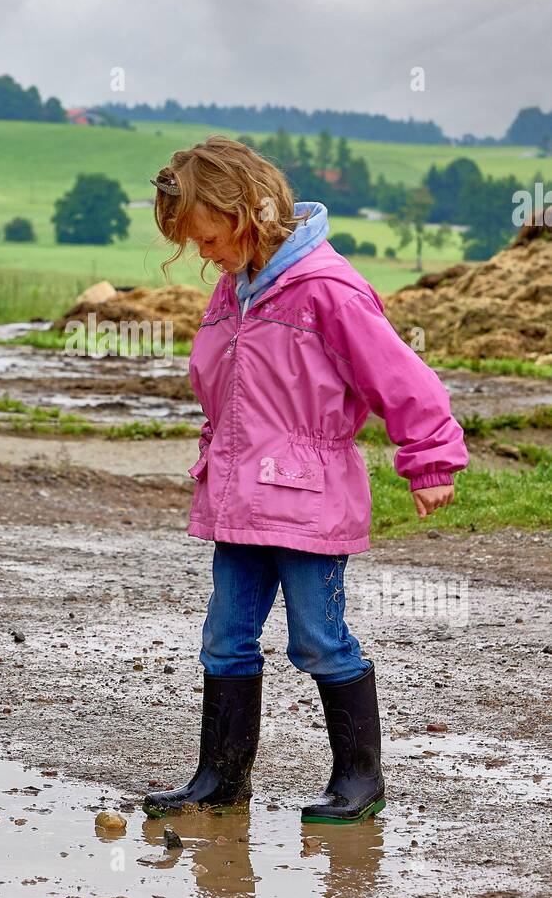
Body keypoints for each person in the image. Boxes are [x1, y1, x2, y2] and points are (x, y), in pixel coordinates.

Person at [143, 136, 468, 822]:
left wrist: (430, 458)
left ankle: (358, 780)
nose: (202, 254)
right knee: (224, 637)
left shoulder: (328, 289)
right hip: (238, 498)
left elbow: (401, 378)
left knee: (318, 640)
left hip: (307, 502)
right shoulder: (233, 293)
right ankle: (220, 779)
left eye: (206, 237)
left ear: (244, 214)